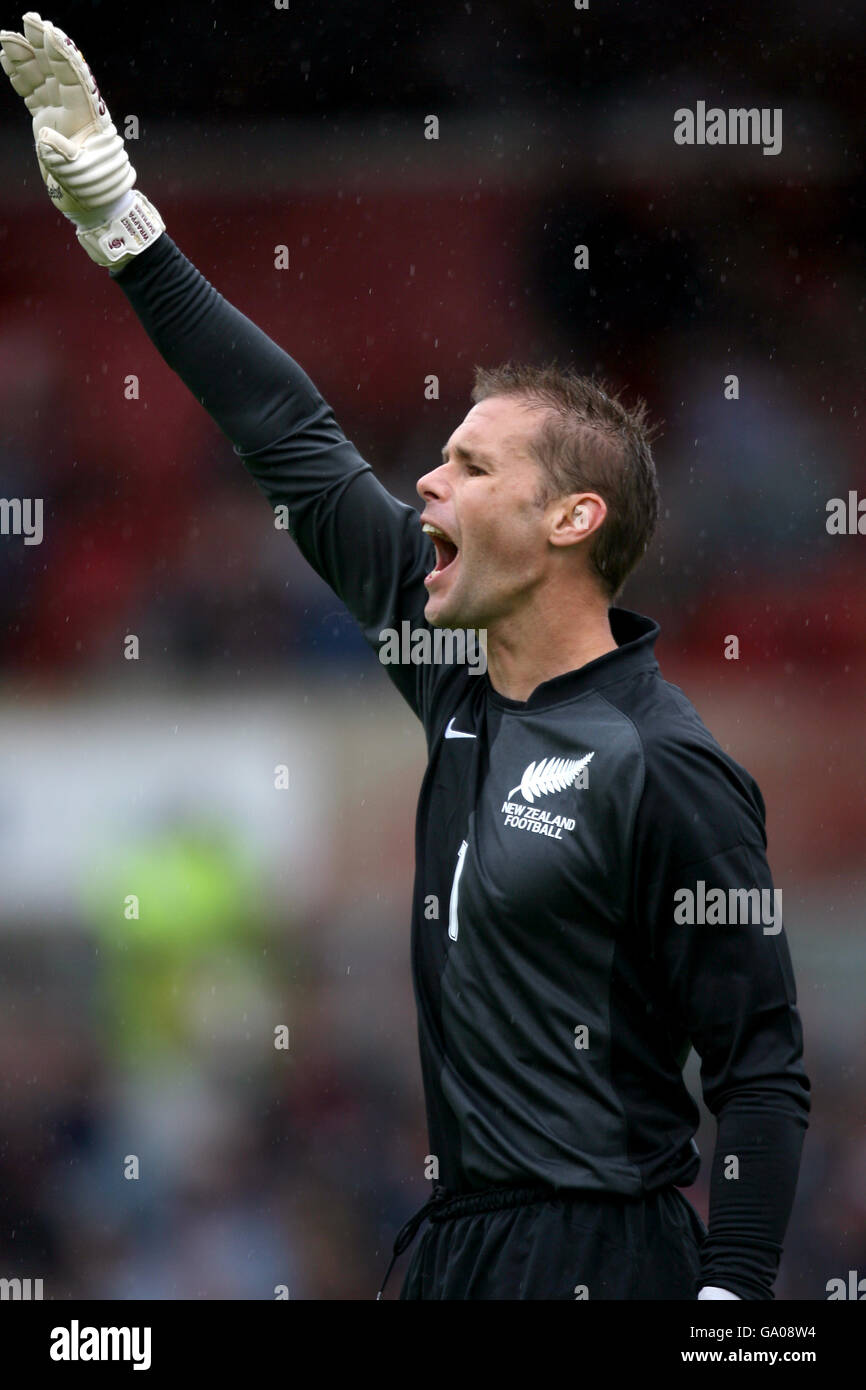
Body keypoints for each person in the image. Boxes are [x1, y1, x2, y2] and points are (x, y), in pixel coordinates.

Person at [1, 12, 810, 1300]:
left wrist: (735, 1305)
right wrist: (123, 223)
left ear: (571, 521)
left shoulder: (666, 765)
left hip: (602, 1256)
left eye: (470, 464)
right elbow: (294, 438)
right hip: (450, 1252)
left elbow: (762, 1066)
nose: (423, 481)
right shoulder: (455, 679)